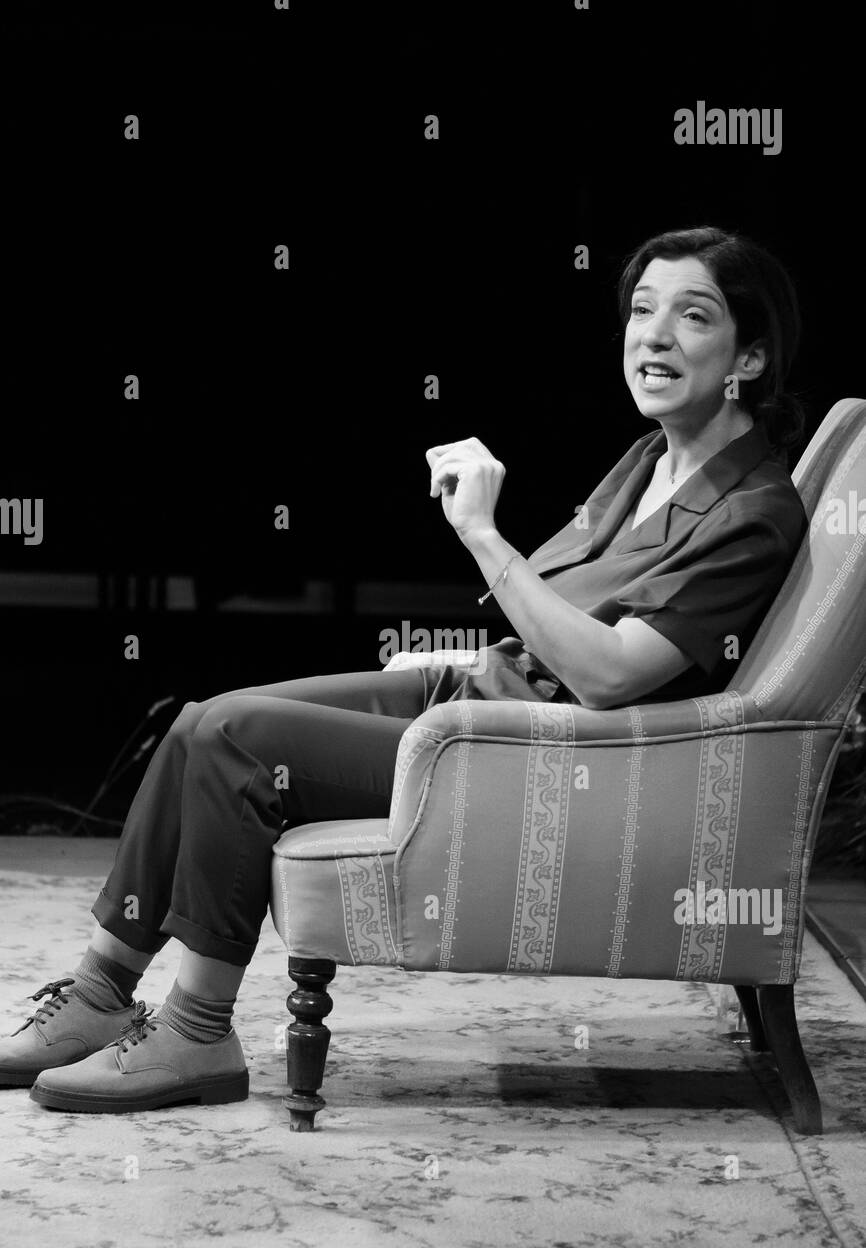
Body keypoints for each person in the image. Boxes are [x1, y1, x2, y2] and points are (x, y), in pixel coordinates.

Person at [0, 225, 808, 1113]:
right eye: (642, 309)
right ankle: (97, 998)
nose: (652, 335)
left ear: (752, 357)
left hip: (531, 753)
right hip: (483, 690)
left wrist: (481, 535)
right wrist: (466, 656)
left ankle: (198, 1033)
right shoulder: (654, 459)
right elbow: (569, 612)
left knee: (236, 740)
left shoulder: (752, 513)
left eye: (691, 315)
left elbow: (612, 674)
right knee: (201, 718)